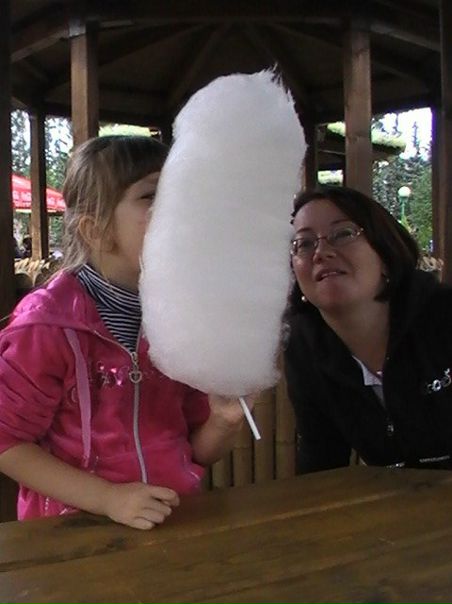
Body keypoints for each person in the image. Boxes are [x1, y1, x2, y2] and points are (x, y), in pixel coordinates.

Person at [0, 135, 253, 530]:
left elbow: (196, 452)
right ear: (96, 230)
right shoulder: (47, 325)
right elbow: (7, 442)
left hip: (173, 523)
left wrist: (224, 422)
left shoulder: (182, 318)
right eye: (152, 196)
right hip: (72, 536)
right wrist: (108, 499)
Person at [284, 185, 452, 474]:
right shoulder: (305, 347)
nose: (321, 252)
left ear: (384, 254)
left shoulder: (443, 313)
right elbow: (322, 466)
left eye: (343, 234)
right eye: (304, 243)